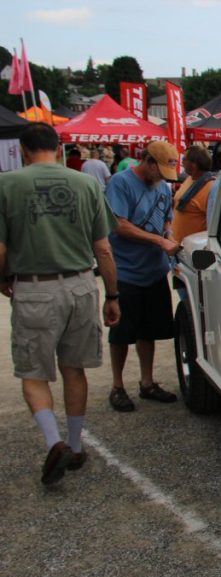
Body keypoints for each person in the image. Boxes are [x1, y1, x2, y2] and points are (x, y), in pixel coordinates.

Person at [0, 123, 121, 486]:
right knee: (74, 369)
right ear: (59, 147)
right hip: (82, 285)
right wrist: (112, 295)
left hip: (35, 287)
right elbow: (103, 248)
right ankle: (74, 444)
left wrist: (2, 277)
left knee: (34, 373)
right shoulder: (86, 183)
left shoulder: (7, 185)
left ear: (23, 150)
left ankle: (54, 442)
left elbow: (2, 249)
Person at [104, 140, 180, 412]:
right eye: (159, 171)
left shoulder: (162, 185)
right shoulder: (120, 183)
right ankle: (117, 386)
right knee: (122, 332)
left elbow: (168, 218)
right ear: (147, 161)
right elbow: (119, 225)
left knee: (149, 330)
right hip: (126, 271)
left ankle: (147, 382)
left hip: (154, 270)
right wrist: (159, 242)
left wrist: (169, 234)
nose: (162, 179)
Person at [171, 145, 215, 244]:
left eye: (184, 159)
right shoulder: (190, 179)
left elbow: (212, 223)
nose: (181, 162)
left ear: (193, 164)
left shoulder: (210, 187)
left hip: (191, 249)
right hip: (176, 244)